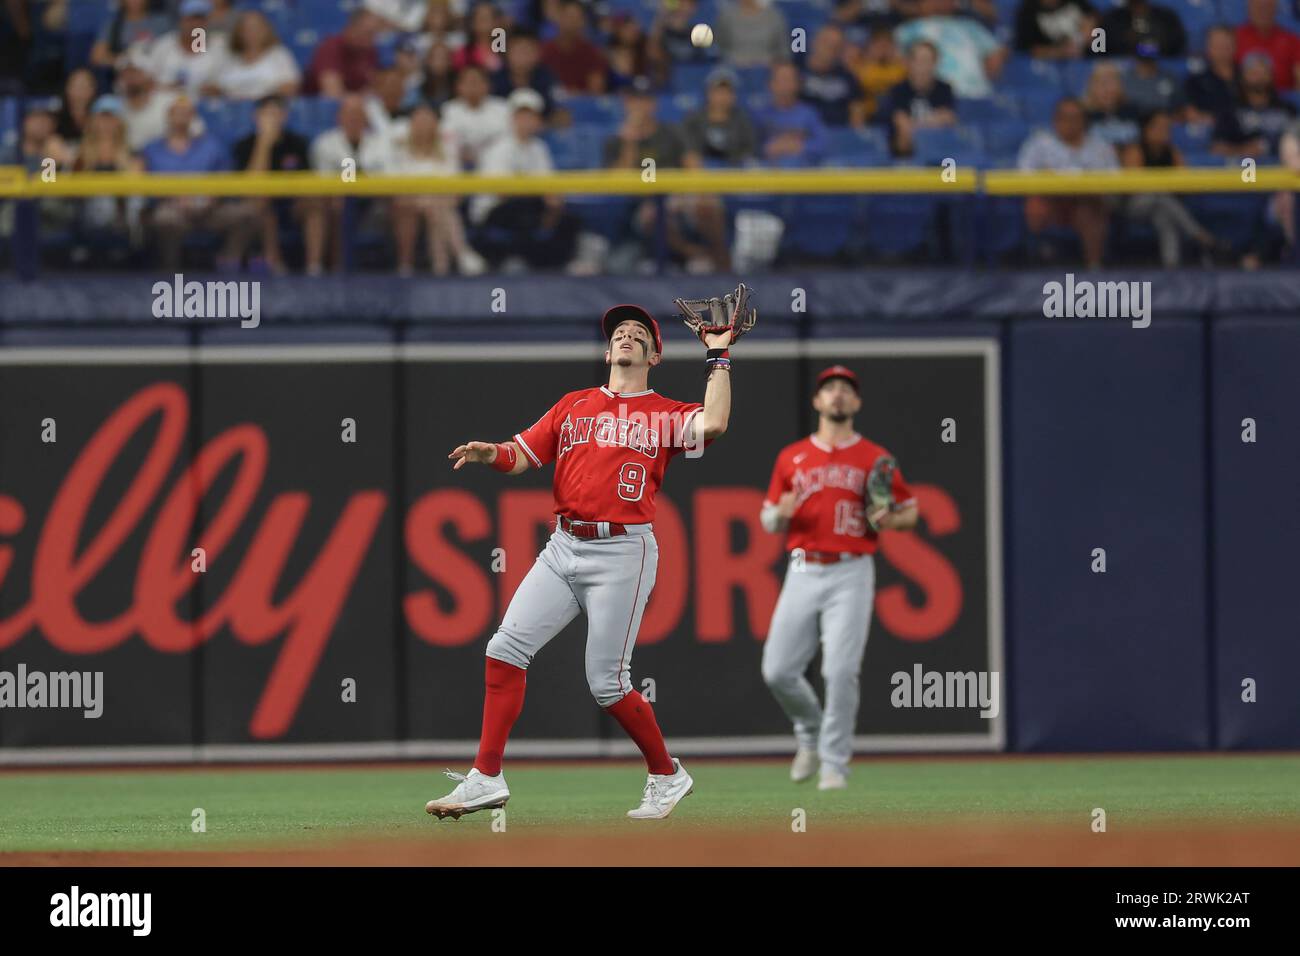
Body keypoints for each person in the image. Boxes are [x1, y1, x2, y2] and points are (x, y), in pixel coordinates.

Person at [426, 305, 736, 820]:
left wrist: (718, 355)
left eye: (639, 334)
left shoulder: (662, 411)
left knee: (607, 683)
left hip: (623, 551)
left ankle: (667, 774)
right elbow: (521, 455)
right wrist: (489, 454)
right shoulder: (575, 405)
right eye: (620, 332)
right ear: (607, 349)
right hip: (563, 544)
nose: (628, 337)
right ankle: (485, 777)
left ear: (655, 355)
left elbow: (717, 422)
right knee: (505, 648)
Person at [759, 365, 918, 791]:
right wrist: (779, 514)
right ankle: (810, 733)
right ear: (816, 401)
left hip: (852, 568)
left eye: (846, 389)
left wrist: (892, 517)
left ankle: (833, 763)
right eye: (829, 388)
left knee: (841, 670)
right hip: (802, 567)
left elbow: (910, 511)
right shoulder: (791, 457)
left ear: (857, 402)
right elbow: (768, 519)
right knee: (777, 670)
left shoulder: (875, 457)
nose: (837, 395)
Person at [141, 96, 257, 271]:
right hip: (172, 209)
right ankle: (171, 269)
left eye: (186, 112)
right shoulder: (152, 149)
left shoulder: (211, 145)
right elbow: (145, 186)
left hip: (211, 208)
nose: (181, 116)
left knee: (247, 213)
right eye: (176, 112)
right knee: (164, 219)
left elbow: (226, 179)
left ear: (193, 116)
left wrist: (212, 199)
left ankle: (229, 263)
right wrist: (175, 200)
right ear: (168, 115)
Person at [471, 88, 577, 269]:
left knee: (569, 218)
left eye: (531, 116)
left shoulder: (539, 147)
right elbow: (501, 192)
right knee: (524, 210)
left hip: (528, 208)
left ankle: (554, 268)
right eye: (521, 116)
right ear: (512, 118)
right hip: (493, 212)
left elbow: (550, 187)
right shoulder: (499, 147)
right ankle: (514, 262)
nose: (526, 121)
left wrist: (553, 204)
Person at [1017, 97, 1119, 268]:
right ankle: (1038, 261)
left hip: (1086, 200)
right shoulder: (1040, 143)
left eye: (1075, 118)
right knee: (1035, 206)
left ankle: (1094, 266)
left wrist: (1090, 184)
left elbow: (1115, 178)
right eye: (1064, 118)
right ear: (1055, 120)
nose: (1070, 123)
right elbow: (1022, 174)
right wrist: (1044, 179)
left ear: (1084, 121)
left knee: (1091, 210)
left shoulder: (1099, 146)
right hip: (1051, 198)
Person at [388, 101, 486, 276]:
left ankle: (440, 267)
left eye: (428, 121)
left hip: (440, 200)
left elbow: (453, 180)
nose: (423, 126)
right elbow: (393, 180)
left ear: (436, 125)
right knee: (437, 206)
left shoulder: (447, 149)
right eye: (419, 121)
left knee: (437, 206)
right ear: (411, 125)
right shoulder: (400, 149)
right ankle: (461, 253)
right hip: (406, 200)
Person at [1121, 111, 1221, 267]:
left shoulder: (1172, 151)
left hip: (1161, 205)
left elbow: (1185, 181)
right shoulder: (1135, 150)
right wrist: (1160, 185)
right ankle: (1200, 235)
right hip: (1134, 206)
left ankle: (1171, 265)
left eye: (1166, 128)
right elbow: (1133, 186)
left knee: (1164, 217)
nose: (1163, 131)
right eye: (1159, 127)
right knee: (1159, 195)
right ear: (1147, 129)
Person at [307, 94, 391, 274]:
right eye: (349, 113)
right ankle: (330, 267)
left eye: (358, 114)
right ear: (339, 117)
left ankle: (401, 268)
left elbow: (388, 174)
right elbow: (325, 179)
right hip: (337, 200)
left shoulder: (380, 143)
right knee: (336, 206)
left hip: (374, 201)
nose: (354, 118)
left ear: (366, 119)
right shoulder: (325, 142)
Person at [232, 95, 311, 275]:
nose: (271, 119)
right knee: (262, 203)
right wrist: (264, 144)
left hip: (293, 200)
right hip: (260, 202)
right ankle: (273, 262)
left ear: (285, 116)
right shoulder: (244, 144)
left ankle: (315, 267)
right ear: (255, 117)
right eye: (265, 115)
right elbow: (251, 186)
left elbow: (308, 182)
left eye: (275, 114)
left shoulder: (297, 142)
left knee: (314, 206)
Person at [894, 0, 1006, 98]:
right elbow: (898, 61)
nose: (941, 3)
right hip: (932, 96)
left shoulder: (971, 26)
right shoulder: (907, 30)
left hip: (976, 93)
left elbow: (995, 56)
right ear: (922, 3)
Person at [127, 0, 231, 97]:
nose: (195, 25)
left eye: (200, 20)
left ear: (207, 22)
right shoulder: (164, 45)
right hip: (164, 105)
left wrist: (214, 89)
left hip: (202, 107)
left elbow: (225, 85)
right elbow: (147, 80)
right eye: (190, 20)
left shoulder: (218, 48)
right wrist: (167, 88)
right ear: (181, 21)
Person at [874, 39, 956, 158]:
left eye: (929, 60)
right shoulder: (898, 90)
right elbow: (903, 125)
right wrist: (933, 121)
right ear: (909, 63)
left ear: (936, 63)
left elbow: (948, 119)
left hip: (940, 152)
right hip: (905, 154)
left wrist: (916, 125)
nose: (924, 66)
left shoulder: (944, 89)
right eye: (920, 60)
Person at [1212, 50, 1297, 158]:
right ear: (1242, 77)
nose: (1259, 77)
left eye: (1263, 72)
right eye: (1253, 73)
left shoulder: (1287, 109)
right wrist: (1244, 150)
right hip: (1242, 170)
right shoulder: (1230, 110)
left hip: (1283, 170)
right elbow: (1217, 148)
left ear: (1271, 75)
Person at [216, 9, 301, 100]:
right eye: (247, 29)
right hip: (232, 110)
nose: (252, 33)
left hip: (268, 110)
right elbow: (216, 88)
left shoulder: (279, 55)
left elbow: (290, 87)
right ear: (239, 32)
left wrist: (259, 101)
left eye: (257, 28)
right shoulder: (229, 59)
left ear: (266, 30)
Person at [681, 66, 758, 166]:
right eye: (718, 92)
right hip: (701, 176)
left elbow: (749, 152)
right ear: (708, 93)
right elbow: (689, 152)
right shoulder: (693, 120)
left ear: (734, 96)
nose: (722, 97)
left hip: (733, 175)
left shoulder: (743, 120)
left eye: (727, 92)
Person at [757, 62, 829, 167]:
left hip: (802, 174)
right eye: (781, 79)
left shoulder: (809, 113)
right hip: (768, 174)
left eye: (790, 79)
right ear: (771, 84)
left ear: (797, 84)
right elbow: (748, 147)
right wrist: (769, 147)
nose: (786, 84)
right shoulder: (760, 114)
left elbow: (823, 144)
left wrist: (800, 146)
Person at [440, 64, 511, 168]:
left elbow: (506, 141)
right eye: (468, 82)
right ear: (458, 87)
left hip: (494, 164)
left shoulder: (502, 108)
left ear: (487, 85)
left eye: (476, 82)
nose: (472, 87)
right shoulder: (449, 109)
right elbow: (448, 141)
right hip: (459, 164)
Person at [801, 24, 865, 127]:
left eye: (835, 46)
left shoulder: (848, 77)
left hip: (837, 135)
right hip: (802, 133)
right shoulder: (797, 71)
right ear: (814, 42)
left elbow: (857, 112)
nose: (829, 49)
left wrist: (854, 137)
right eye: (826, 43)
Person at [306, 9, 381, 96]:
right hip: (319, 104)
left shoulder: (370, 50)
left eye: (374, 34)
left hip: (359, 102)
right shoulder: (330, 47)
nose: (371, 38)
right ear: (351, 27)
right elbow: (332, 93)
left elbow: (372, 87)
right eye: (368, 32)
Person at [541, 0, 607, 93]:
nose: (572, 22)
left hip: (582, 103)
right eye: (568, 17)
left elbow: (596, 88)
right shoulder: (545, 51)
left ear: (583, 21)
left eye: (577, 18)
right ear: (558, 17)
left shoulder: (592, 52)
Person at [1235, 0, 1300, 91]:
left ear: (1276, 10)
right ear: (1249, 9)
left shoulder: (1291, 40)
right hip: (1243, 99)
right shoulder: (1235, 37)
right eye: (1258, 8)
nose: (1263, 12)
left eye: (1267, 8)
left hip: (1283, 100)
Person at [490, 28, 556, 114]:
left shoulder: (548, 78)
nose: (523, 57)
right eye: (519, 51)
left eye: (528, 51)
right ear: (506, 53)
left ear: (537, 54)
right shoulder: (494, 81)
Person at [89, 0, 171, 70]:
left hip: (157, 72)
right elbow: (97, 57)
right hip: (126, 76)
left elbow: (175, 49)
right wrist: (122, 61)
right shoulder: (114, 26)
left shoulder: (162, 22)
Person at [1185, 25, 1239, 125]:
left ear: (1234, 47)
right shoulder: (1195, 82)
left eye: (1226, 45)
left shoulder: (1247, 77)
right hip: (1211, 136)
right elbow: (1191, 114)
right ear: (1208, 49)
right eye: (1217, 46)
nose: (1222, 51)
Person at [1081, 60, 1141, 148]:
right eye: (1102, 84)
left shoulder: (1133, 111)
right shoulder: (1083, 115)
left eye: (1112, 83)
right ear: (1092, 88)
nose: (1107, 90)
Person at [715, 0, 792, 67]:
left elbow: (784, 52)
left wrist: (774, 65)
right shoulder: (727, 16)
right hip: (734, 69)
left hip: (768, 70)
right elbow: (719, 47)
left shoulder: (774, 16)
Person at [1097, 0, 1186, 57]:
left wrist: (1144, 49)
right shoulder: (1111, 19)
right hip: (1119, 67)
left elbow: (1176, 44)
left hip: (1160, 68)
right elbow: (1102, 48)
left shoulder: (1166, 17)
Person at [1013, 0, 1097, 60]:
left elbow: (1093, 17)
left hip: (1088, 57)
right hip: (1050, 67)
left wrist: (1084, 35)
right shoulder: (1027, 12)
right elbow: (1029, 50)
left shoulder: (1076, 2)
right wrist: (1060, 51)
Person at [854, 27, 907, 120]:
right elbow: (863, 82)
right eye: (879, 45)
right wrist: (871, 59)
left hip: (894, 114)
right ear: (871, 46)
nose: (883, 50)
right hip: (868, 114)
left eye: (886, 45)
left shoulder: (900, 67)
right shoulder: (861, 66)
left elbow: (904, 87)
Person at [55, 68, 98, 148]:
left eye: (85, 86)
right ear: (67, 89)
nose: (80, 91)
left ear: (93, 90)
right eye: (77, 85)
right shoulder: (56, 119)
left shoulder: (100, 117)